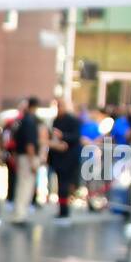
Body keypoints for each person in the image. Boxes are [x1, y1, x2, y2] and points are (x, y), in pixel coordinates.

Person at [11, 95, 45, 225]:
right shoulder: (30, 122)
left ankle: (20, 214)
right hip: (28, 156)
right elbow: (30, 143)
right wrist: (32, 161)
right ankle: (20, 215)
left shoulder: (23, 120)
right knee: (25, 186)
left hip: (23, 155)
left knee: (23, 185)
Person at [47, 107, 83, 221]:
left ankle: (64, 212)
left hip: (68, 160)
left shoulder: (73, 121)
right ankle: (62, 210)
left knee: (65, 187)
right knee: (61, 186)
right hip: (58, 160)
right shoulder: (56, 120)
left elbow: (76, 137)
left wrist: (63, 136)